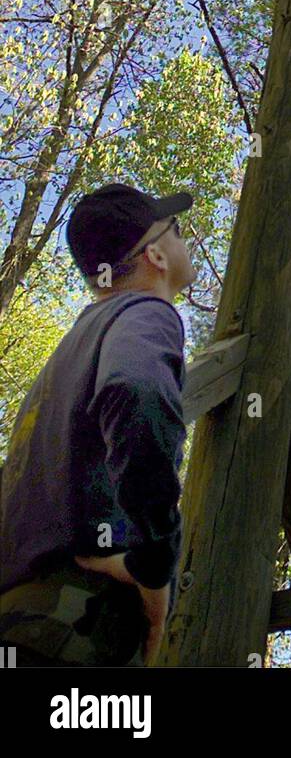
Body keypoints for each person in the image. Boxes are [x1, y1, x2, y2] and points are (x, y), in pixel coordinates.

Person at [0, 183, 195, 667]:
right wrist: (153, 566)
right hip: (74, 629)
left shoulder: (72, 350)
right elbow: (138, 392)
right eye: (177, 229)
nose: (184, 239)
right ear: (156, 254)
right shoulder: (147, 313)